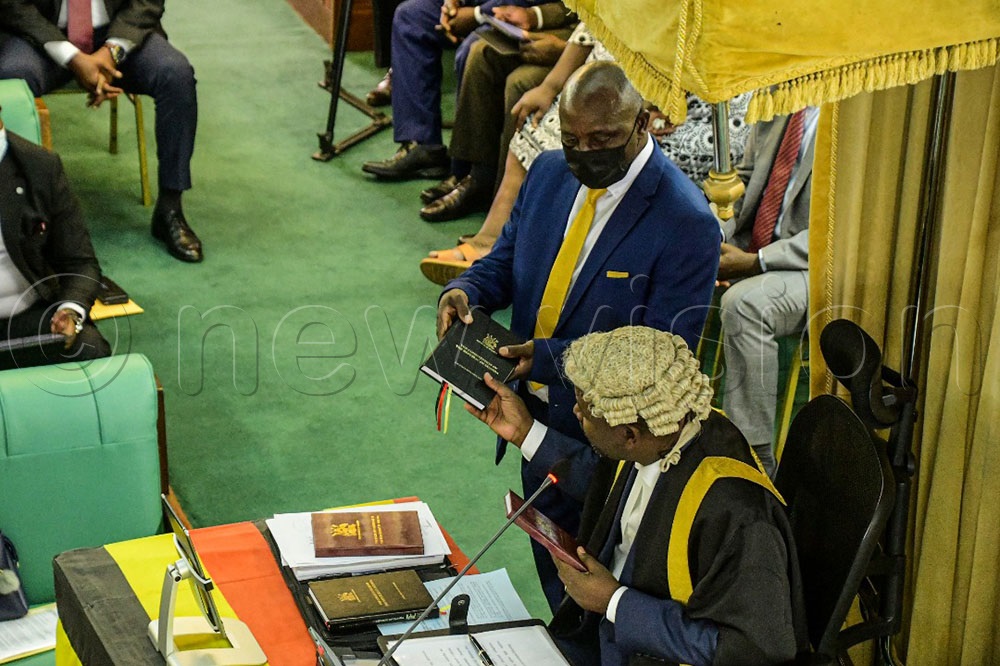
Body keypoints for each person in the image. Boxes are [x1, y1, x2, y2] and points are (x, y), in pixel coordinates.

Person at [436, 61, 719, 610]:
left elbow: (658, 355)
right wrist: (467, 290)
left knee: (599, 596)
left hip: (609, 447)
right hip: (527, 419)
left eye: (603, 137)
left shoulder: (687, 222)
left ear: (645, 123)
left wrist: (544, 360)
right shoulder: (546, 173)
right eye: (572, 139)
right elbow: (507, 261)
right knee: (554, 578)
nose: (585, 151)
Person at [468, 326, 807, 665]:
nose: (575, 413)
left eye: (584, 413)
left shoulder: (737, 514)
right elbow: (612, 491)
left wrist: (614, 601)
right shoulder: (664, 425)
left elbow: (757, 651)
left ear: (629, 435)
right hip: (595, 637)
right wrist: (525, 432)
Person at [419, 22, 751, 284]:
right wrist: (549, 87)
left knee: (603, 136)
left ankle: (556, 255)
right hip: (627, 79)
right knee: (540, 122)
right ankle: (494, 243)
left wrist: (658, 102)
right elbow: (591, 33)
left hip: (704, 103)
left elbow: (718, 54)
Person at [0, 0, 203, 263]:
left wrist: (110, 52)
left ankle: (170, 209)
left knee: (176, 75)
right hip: (42, 37)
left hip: (118, 35)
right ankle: (22, 217)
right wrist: (72, 57)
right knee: (12, 79)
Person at [717, 108, 818, 477]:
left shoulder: (857, 116)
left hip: (818, 263)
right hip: (751, 245)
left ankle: (752, 458)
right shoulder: (782, 91)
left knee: (745, 305)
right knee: (669, 254)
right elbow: (744, 179)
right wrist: (715, 236)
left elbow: (847, 223)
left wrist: (756, 261)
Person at [361, 0, 559, 180]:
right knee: (411, 16)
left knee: (471, 51)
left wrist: (476, 14)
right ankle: (422, 145)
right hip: (480, 6)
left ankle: (464, 171)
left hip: (520, 13)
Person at [417, 3, 576, 222]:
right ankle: (477, 178)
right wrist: (534, 16)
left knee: (520, 83)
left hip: (603, 49)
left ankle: (505, 210)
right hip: (576, 31)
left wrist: (564, 48)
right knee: (481, 52)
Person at [0, 109, 110, 361]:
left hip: (25, 318)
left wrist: (69, 311)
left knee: (90, 348)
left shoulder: (40, 168)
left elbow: (79, 264)